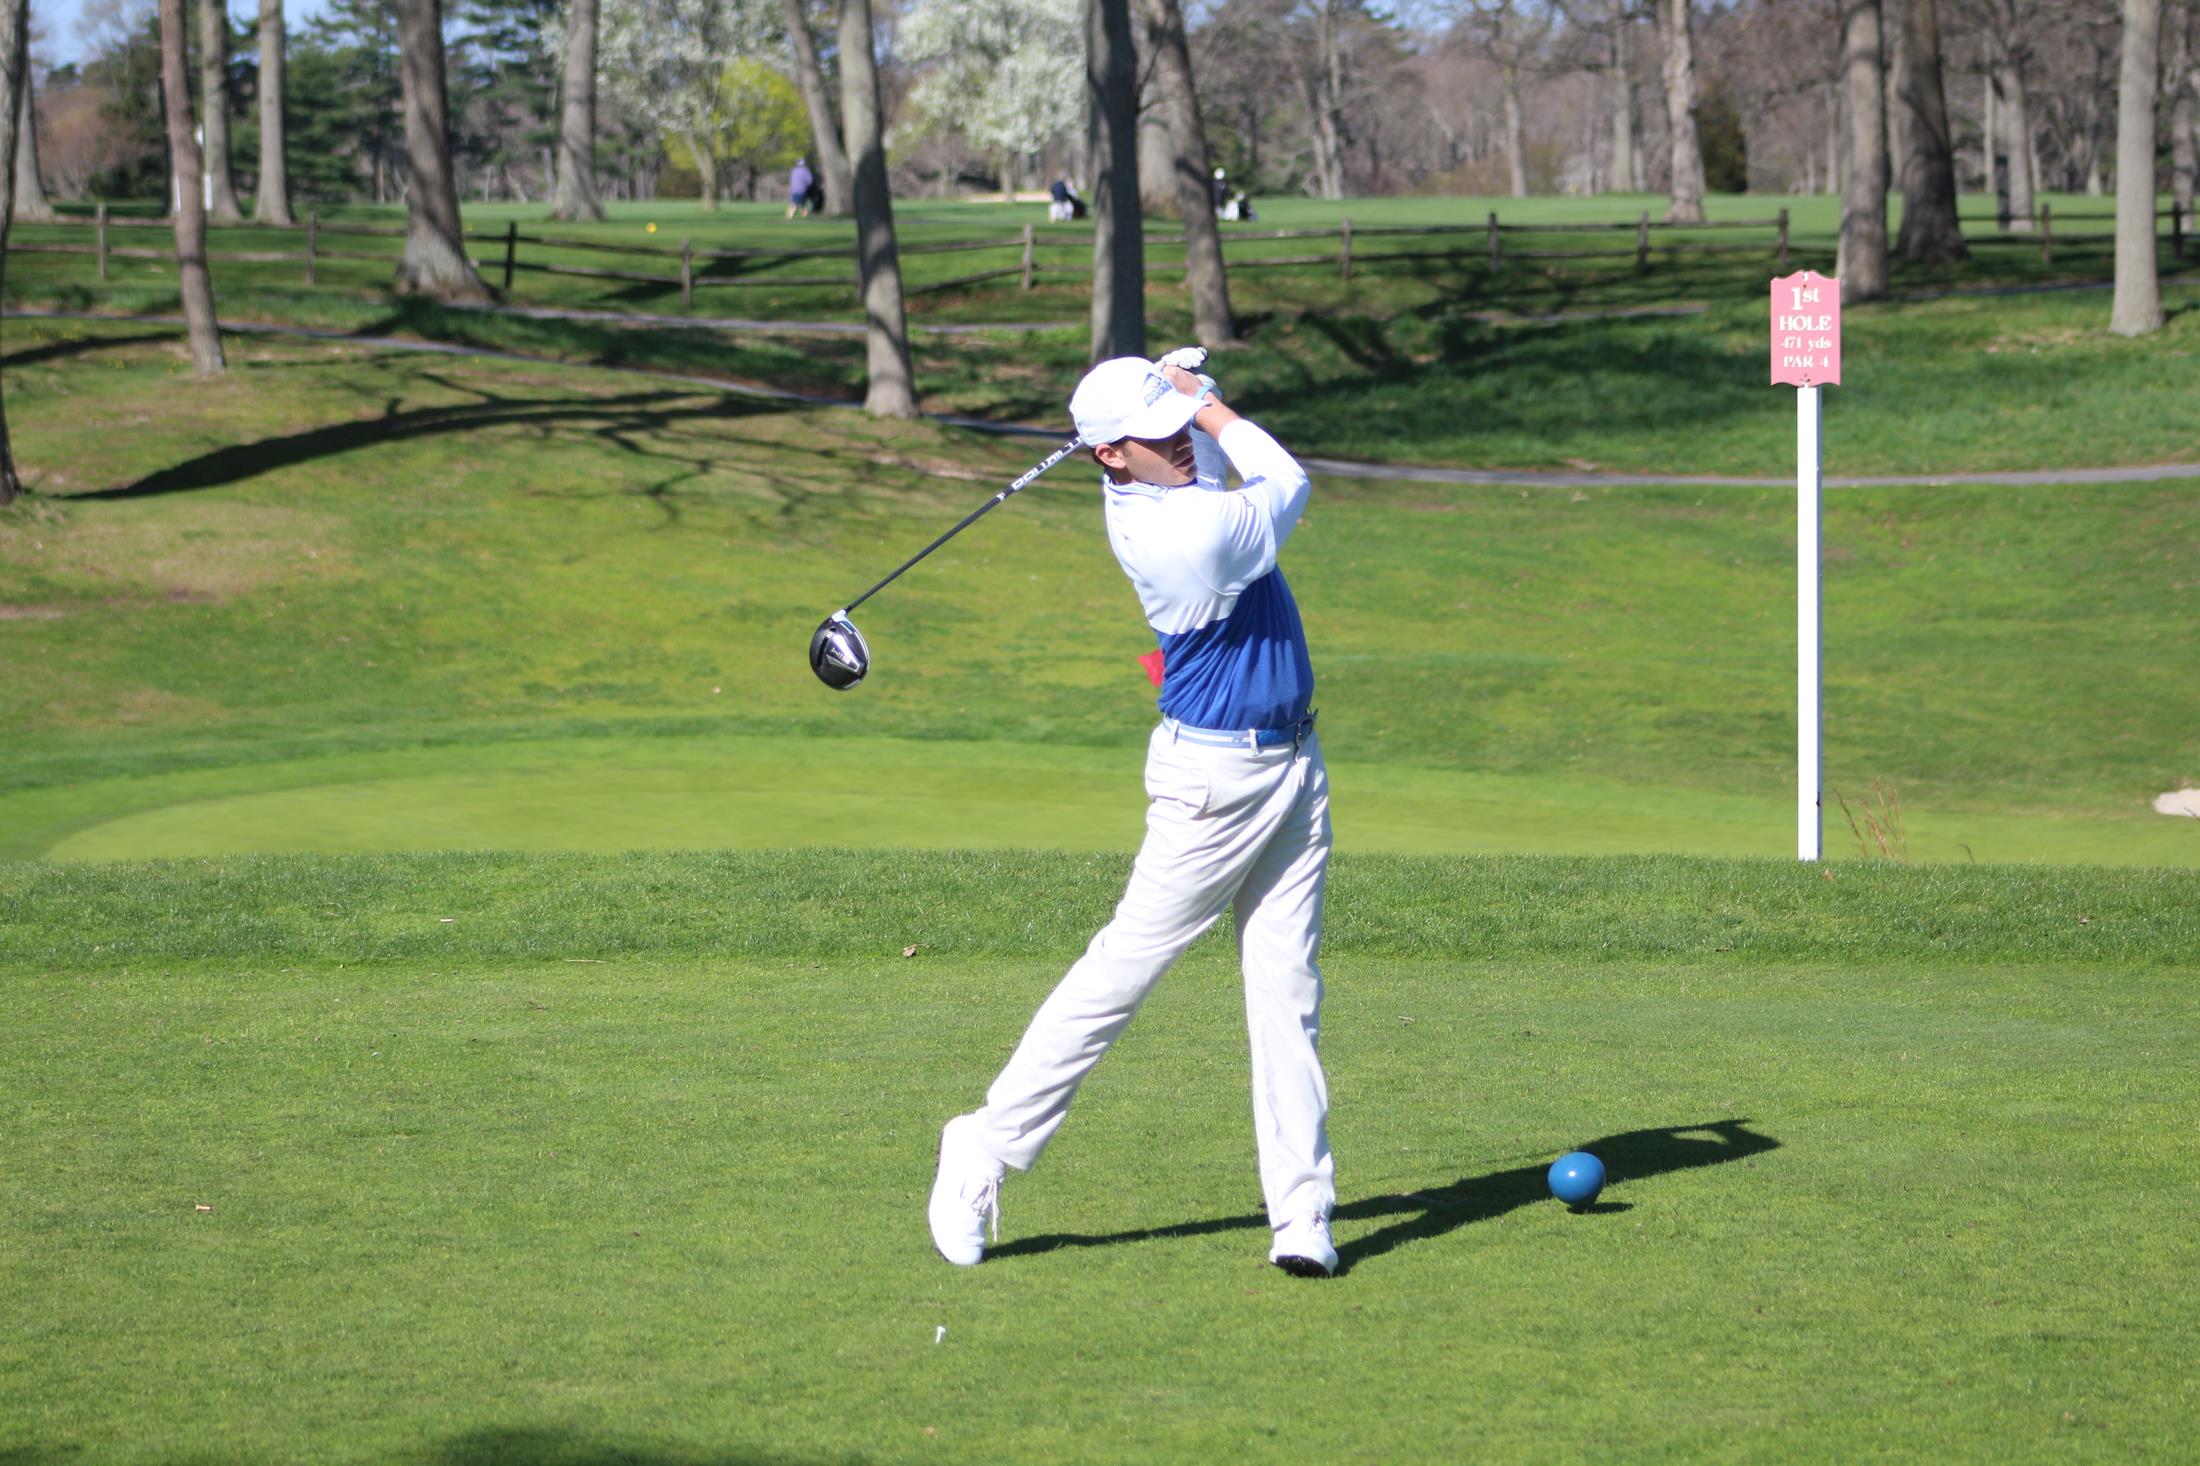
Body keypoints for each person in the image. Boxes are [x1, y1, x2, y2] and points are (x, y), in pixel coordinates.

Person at [927, 350, 1338, 1278]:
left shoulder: (1184, 495)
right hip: (1210, 788)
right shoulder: (1181, 536)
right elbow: (1286, 480)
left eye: (1179, 426)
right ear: (1111, 456)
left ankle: (1303, 1215)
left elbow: (1228, 478)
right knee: (1121, 976)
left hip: (1294, 765)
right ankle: (982, 1148)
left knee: (1288, 995)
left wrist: (1181, 393)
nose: (1181, 442)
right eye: (1160, 437)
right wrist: (1214, 404)